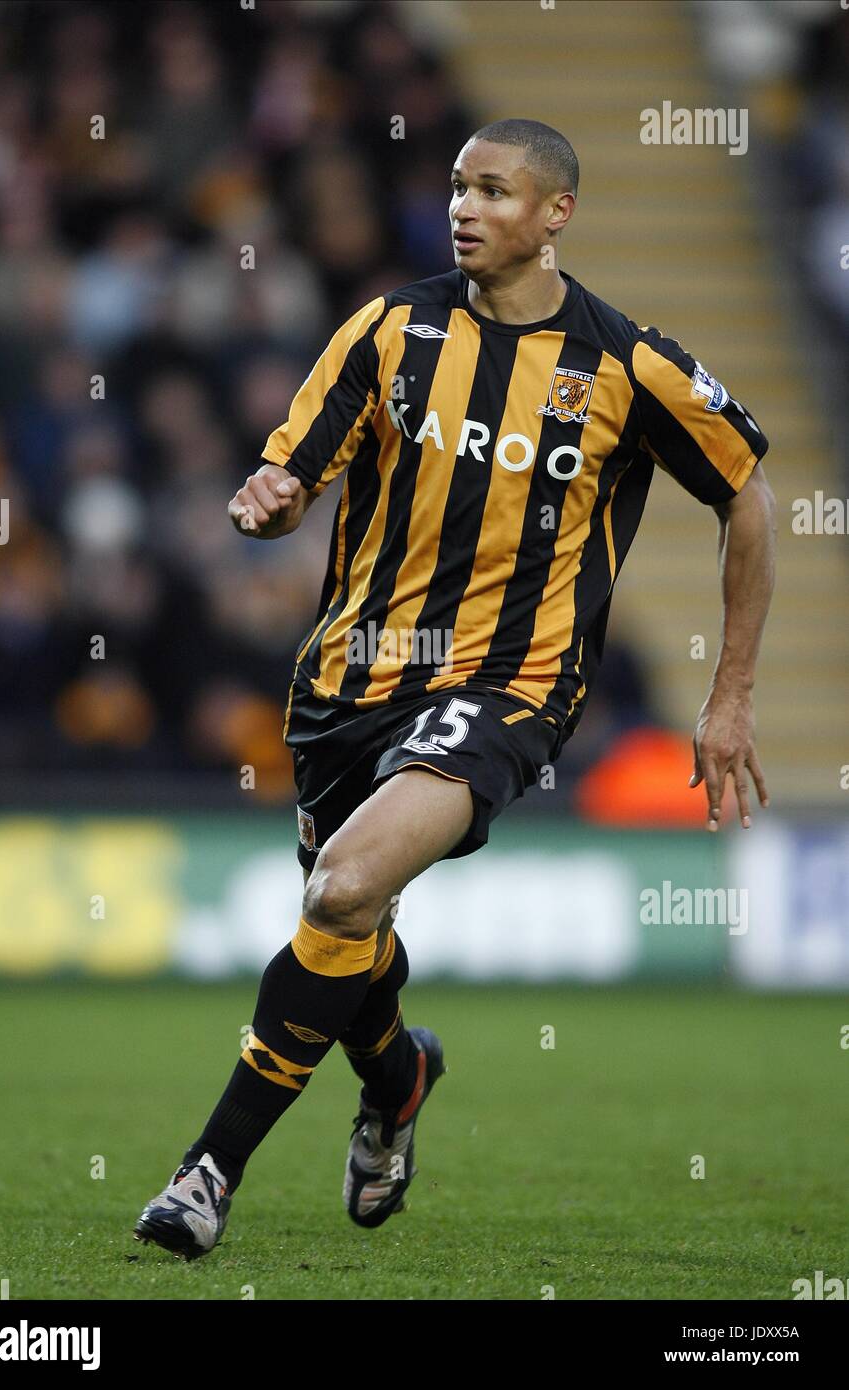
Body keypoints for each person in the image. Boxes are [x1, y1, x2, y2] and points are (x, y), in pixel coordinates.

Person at [134, 118, 775, 1259]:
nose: (464, 208)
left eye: (492, 190)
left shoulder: (627, 364)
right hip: (348, 677)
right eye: (456, 188)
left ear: (556, 214)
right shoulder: (391, 328)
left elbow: (745, 492)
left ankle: (205, 1173)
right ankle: (398, 1081)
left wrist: (728, 696)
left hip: (511, 682)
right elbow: (295, 462)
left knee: (340, 889)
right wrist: (273, 495)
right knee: (348, 920)